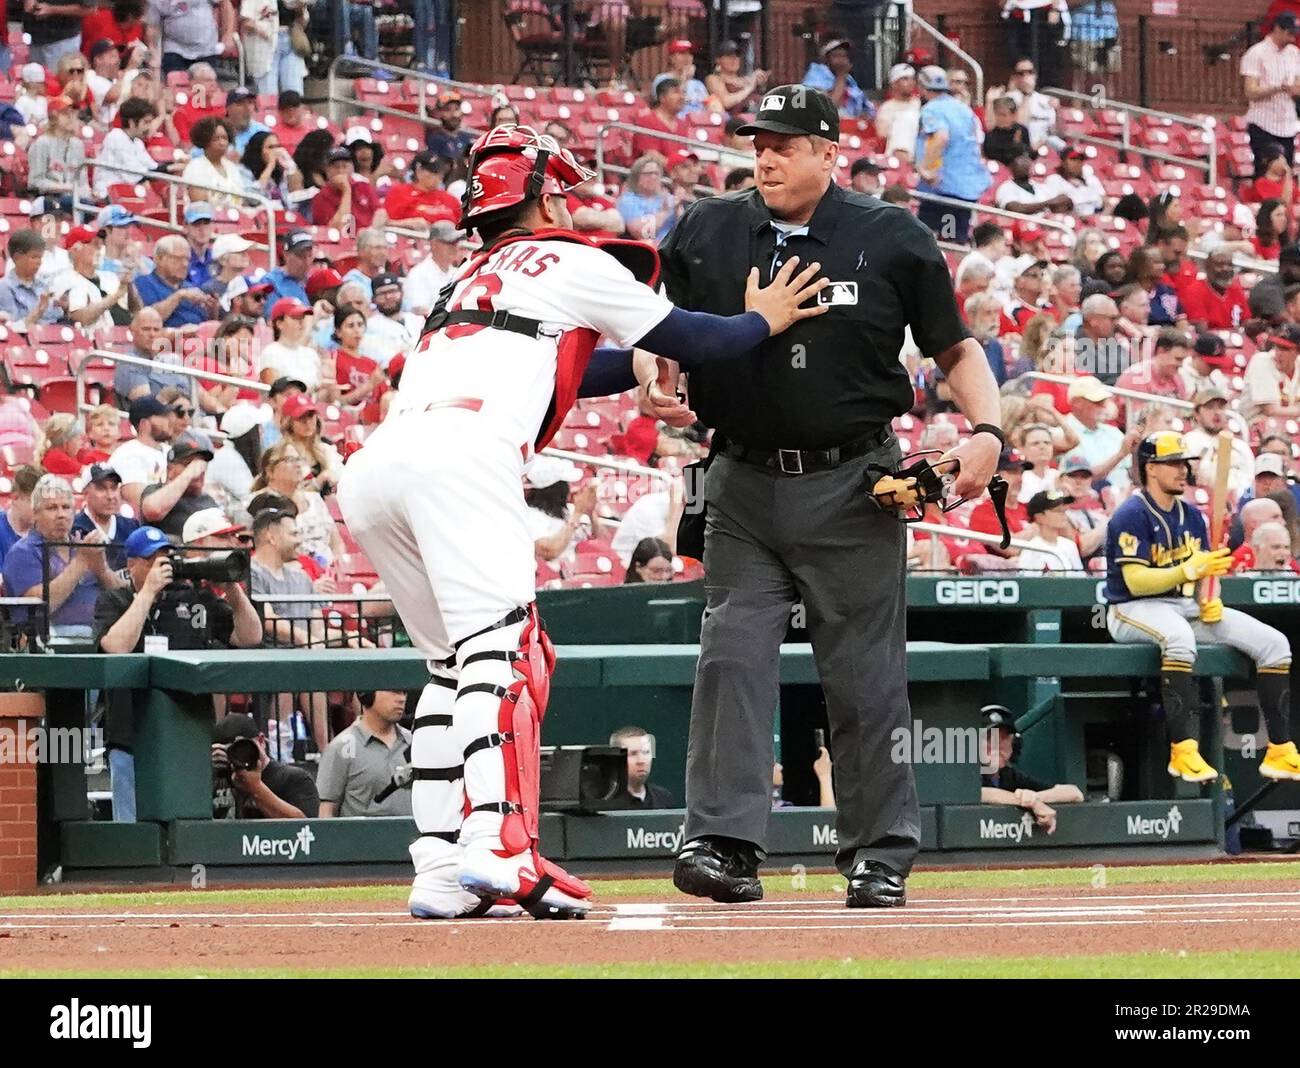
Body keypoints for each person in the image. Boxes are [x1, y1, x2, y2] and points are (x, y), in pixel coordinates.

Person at [337, 123, 829, 921]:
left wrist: (632, 365)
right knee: (509, 654)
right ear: (538, 199)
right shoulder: (567, 257)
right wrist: (763, 319)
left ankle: (440, 863)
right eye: (558, 193)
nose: (567, 205)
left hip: (380, 466)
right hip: (461, 455)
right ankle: (499, 847)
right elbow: (695, 337)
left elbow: (552, 364)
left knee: (451, 669)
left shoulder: (464, 276)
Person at [652, 85, 1001, 910]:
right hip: (741, 480)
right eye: (758, 144)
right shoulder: (706, 227)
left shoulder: (892, 235)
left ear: (828, 154)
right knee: (732, 654)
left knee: (865, 677)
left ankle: (878, 854)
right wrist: (650, 366)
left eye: (785, 144)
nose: (766, 159)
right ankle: (723, 843)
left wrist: (987, 430)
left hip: (854, 484)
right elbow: (652, 320)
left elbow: (954, 348)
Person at [1105, 431, 1300, 783]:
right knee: (1180, 639)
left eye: (1185, 463)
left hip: (1183, 605)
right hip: (1131, 609)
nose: (1183, 470)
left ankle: (1280, 751)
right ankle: (1183, 751)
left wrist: (1210, 595)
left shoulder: (1193, 516)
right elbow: (1134, 581)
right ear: (1150, 468)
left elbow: (1205, 572)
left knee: (1275, 644)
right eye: (1173, 463)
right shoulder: (1131, 514)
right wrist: (1186, 571)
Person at [97, 523, 261, 818]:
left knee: (188, 821)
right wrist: (148, 592)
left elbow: (250, 637)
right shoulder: (115, 600)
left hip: (188, 731)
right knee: (132, 826)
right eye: (152, 561)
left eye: (166, 559)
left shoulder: (194, 600)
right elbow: (116, 646)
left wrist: (231, 588)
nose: (162, 567)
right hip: (131, 733)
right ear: (132, 565)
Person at [3, 474, 122, 641]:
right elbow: (38, 608)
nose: (61, 515)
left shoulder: (84, 546)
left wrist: (102, 571)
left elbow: (122, 599)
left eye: (66, 507)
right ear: (35, 514)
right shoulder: (22, 552)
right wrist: (80, 563)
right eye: (52, 508)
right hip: (47, 639)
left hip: (100, 636)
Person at [979, 705, 1083, 835]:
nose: (997, 745)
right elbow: (981, 794)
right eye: (989, 738)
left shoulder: (1009, 775)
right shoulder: (968, 774)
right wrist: (1030, 802)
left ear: (1014, 745)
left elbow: (1075, 793)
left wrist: (1034, 798)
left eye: (1004, 738)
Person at [915, 66, 991, 244]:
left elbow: (941, 137)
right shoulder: (964, 109)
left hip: (943, 188)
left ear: (922, 87)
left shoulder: (931, 109)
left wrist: (925, 169)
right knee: (956, 238)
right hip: (966, 186)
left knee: (933, 240)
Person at [317, 691, 413, 817]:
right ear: (367, 695)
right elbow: (326, 810)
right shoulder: (341, 748)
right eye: (392, 691)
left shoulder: (416, 742)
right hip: (362, 829)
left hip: (414, 829)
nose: (401, 698)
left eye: (404, 693)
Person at [212, 713, 320, 819]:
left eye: (243, 747)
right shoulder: (215, 779)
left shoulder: (293, 778)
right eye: (229, 750)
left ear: (261, 741)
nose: (238, 755)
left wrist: (255, 787)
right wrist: (207, 772)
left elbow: (305, 826)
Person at [1241, 11, 1300, 177]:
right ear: (1277, 29)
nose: (1292, 38)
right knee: (1270, 172)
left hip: (1287, 124)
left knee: (1286, 174)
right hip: (1263, 123)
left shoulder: (1294, 53)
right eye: (1289, 33)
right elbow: (1250, 91)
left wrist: (1294, 90)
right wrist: (1277, 88)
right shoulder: (1257, 53)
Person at [139, 437, 219, 538]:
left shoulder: (207, 499)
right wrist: (189, 474)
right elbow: (153, 511)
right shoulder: (155, 490)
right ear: (170, 470)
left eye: (201, 464)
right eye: (189, 464)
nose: (199, 470)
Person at [135, 235, 218, 328]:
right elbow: (148, 321)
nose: (185, 264)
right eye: (178, 258)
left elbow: (207, 324)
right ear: (159, 259)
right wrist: (179, 296)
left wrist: (212, 310)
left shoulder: (190, 287)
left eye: (187, 259)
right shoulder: (143, 283)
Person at [71, 463, 139, 570]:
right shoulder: (74, 528)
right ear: (85, 492)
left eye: (114, 488)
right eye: (101, 488)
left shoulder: (132, 527)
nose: (110, 496)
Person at [0, 230, 62, 333]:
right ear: (17, 258)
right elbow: (11, 330)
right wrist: (38, 312)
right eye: (34, 257)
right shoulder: (3, 288)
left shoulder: (44, 286)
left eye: (40, 257)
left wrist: (64, 307)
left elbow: (55, 320)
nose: (39, 262)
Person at [150, 0, 232, 76]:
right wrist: (153, 51)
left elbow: (225, 3)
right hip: (174, 48)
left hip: (206, 48)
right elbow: (152, 25)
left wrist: (228, 35)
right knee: (175, 83)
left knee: (205, 84)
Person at [1239, 323, 1300, 425]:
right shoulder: (1261, 361)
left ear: (1297, 352)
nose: (1278, 353)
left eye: (1285, 349)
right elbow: (1271, 410)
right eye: (1277, 346)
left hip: (1287, 427)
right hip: (1252, 425)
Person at [383, 151, 459, 231]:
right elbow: (386, 223)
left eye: (440, 172)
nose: (437, 176)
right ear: (418, 171)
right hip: (413, 235)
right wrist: (407, 223)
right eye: (432, 172)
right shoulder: (400, 193)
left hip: (448, 235)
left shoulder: (450, 199)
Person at [601, 726, 674, 809]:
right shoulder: (604, 803)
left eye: (646, 752)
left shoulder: (663, 798)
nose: (641, 760)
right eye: (633, 754)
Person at [311, 146, 382, 229]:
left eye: (345, 166)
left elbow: (381, 213)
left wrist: (371, 230)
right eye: (336, 167)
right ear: (327, 171)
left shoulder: (364, 187)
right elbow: (339, 228)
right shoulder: (321, 197)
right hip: (345, 236)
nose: (341, 171)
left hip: (370, 233)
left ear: (352, 168)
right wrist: (346, 191)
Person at [402, 220, 463, 317]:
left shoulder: (458, 273)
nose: (454, 247)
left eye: (456, 243)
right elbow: (420, 310)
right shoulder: (419, 273)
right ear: (434, 244)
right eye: (449, 242)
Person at [1016, 490, 1084, 571]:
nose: (1063, 514)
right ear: (1039, 517)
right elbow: (1026, 577)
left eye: (1064, 510)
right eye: (1058, 510)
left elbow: (1079, 576)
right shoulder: (1032, 548)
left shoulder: (1070, 545)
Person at [364, 273, 420, 371]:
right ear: (373, 299)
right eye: (382, 293)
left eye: (392, 291)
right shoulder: (370, 326)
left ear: (401, 292)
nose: (388, 297)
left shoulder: (417, 320)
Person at [616, 155, 676, 244]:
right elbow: (642, 233)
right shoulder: (627, 200)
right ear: (636, 178)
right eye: (648, 174)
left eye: (657, 173)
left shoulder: (669, 198)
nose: (653, 177)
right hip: (647, 248)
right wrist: (664, 212)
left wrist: (679, 208)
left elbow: (685, 229)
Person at [802, 38, 867, 119]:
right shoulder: (816, 75)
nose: (841, 60)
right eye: (836, 55)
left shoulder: (849, 79)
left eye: (844, 56)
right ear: (827, 58)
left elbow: (863, 105)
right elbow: (827, 109)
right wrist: (841, 77)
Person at [995, 151, 1073, 216]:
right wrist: (1047, 203)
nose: (1024, 166)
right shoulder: (1006, 187)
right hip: (1022, 226)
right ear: (1012, 167)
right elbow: (1014, 208)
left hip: (1045, 223)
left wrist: (1064, 201)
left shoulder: (1038, 186)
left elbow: (1057, 200)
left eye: (1026, 162)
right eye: (1020, 163)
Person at [631, 77, 688, 160]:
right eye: (676, 92)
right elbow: (650, 154)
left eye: (683, 93)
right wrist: (673, 166)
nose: (682, 97)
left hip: (678, 167)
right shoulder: (647, 120)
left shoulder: (683, 125)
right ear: (662, 98)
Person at [874, 64, 919, 161]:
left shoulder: (919, 104)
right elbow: (882, 134)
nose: (911, 83)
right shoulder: (887, 108)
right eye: (905, 79)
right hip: (896, 157)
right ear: (894, 83)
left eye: (912, 79)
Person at [424, 91, 474, 165]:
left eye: (456, 109)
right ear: (439, 113)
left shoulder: (467, 138)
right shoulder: (435, 140)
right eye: (447, 109)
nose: (453, 114)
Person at [982, 94, 1031, 167]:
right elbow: (992, 155)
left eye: (1003, 115)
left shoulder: (1022, 131)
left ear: (1013, 115)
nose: (999, 118)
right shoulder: (990, 135)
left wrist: (1018, 145)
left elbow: (1027, 154)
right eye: (997, 114)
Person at [339, 228, 389, 298]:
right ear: (361, 251)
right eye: (377, 248)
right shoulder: (352, 283)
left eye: (385, 248)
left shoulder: (387, 279)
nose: (383, 253)